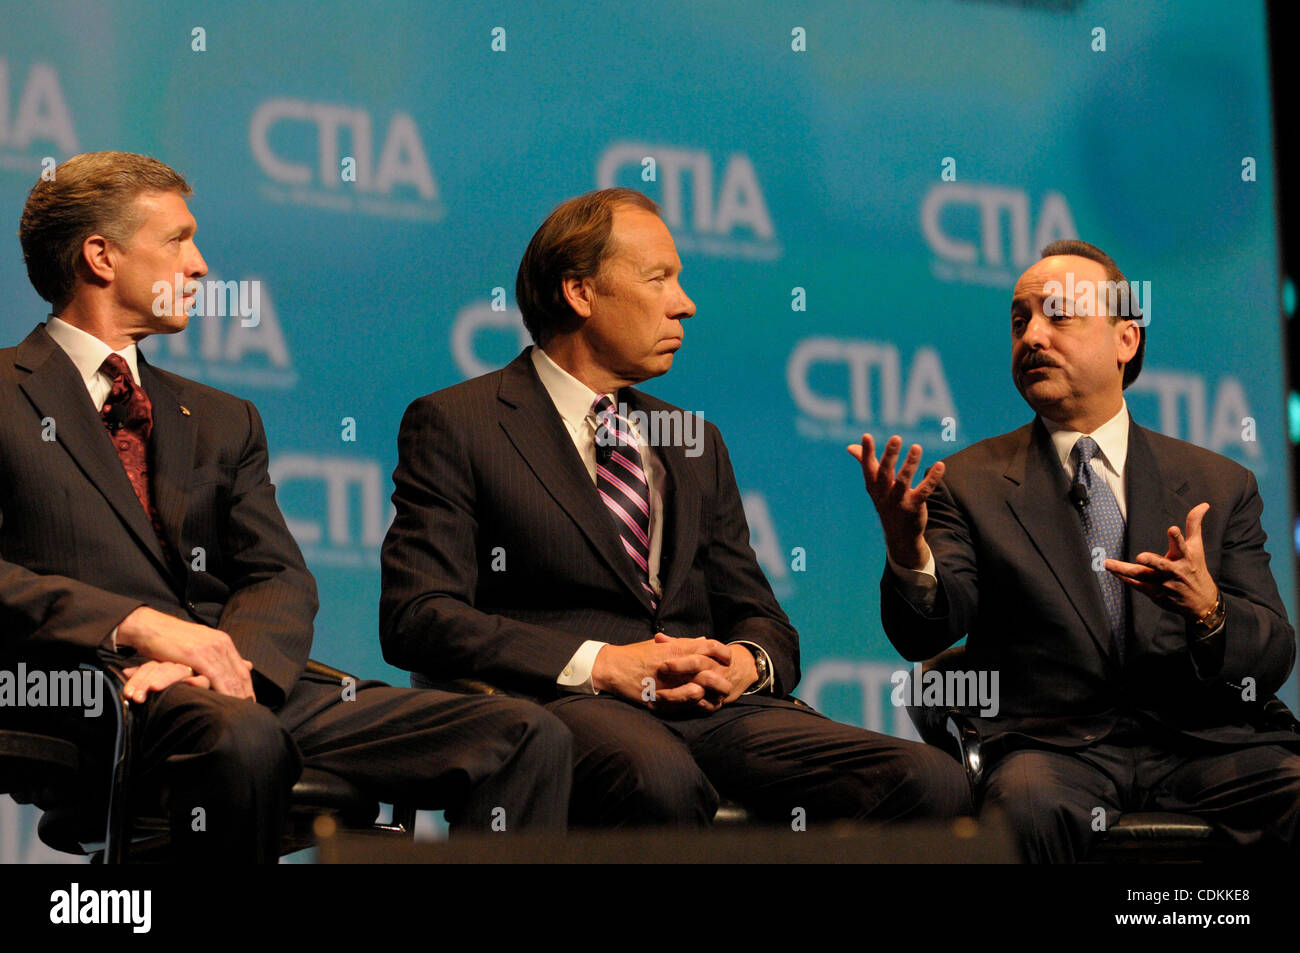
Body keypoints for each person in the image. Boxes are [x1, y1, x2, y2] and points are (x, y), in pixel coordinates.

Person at [2, 151, 571, 861]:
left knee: (524, 734)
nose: (201, 264)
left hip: (242, 680)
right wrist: (138, 626)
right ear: (100, 255)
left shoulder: (219, 417)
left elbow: (279, 577)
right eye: (178, 238)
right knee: (239, 737)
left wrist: (224, 660)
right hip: (83, 686)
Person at [380, 187, 969, 828]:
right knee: (657, 779)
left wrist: (746, 661)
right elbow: (418, 615)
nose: (685, 305)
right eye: (659, 279)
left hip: (714, 715)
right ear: (579, 293)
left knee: (930, 782)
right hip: (566, 706)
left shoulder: (692, 442)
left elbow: (763, 621)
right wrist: (604, 664)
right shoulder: (460, 423)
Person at [854, 239, 1300, 861]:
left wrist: (1209, 611)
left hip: (1201, 744)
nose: (1032, 335)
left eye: (1059, 314)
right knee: (1023, 813)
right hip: (1052, 750)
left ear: (1126, 340)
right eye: (1019, 321)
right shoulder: (969, 482)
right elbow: (926, 632)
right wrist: (908, 549)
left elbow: (1273, 654)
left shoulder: (1219, 485)